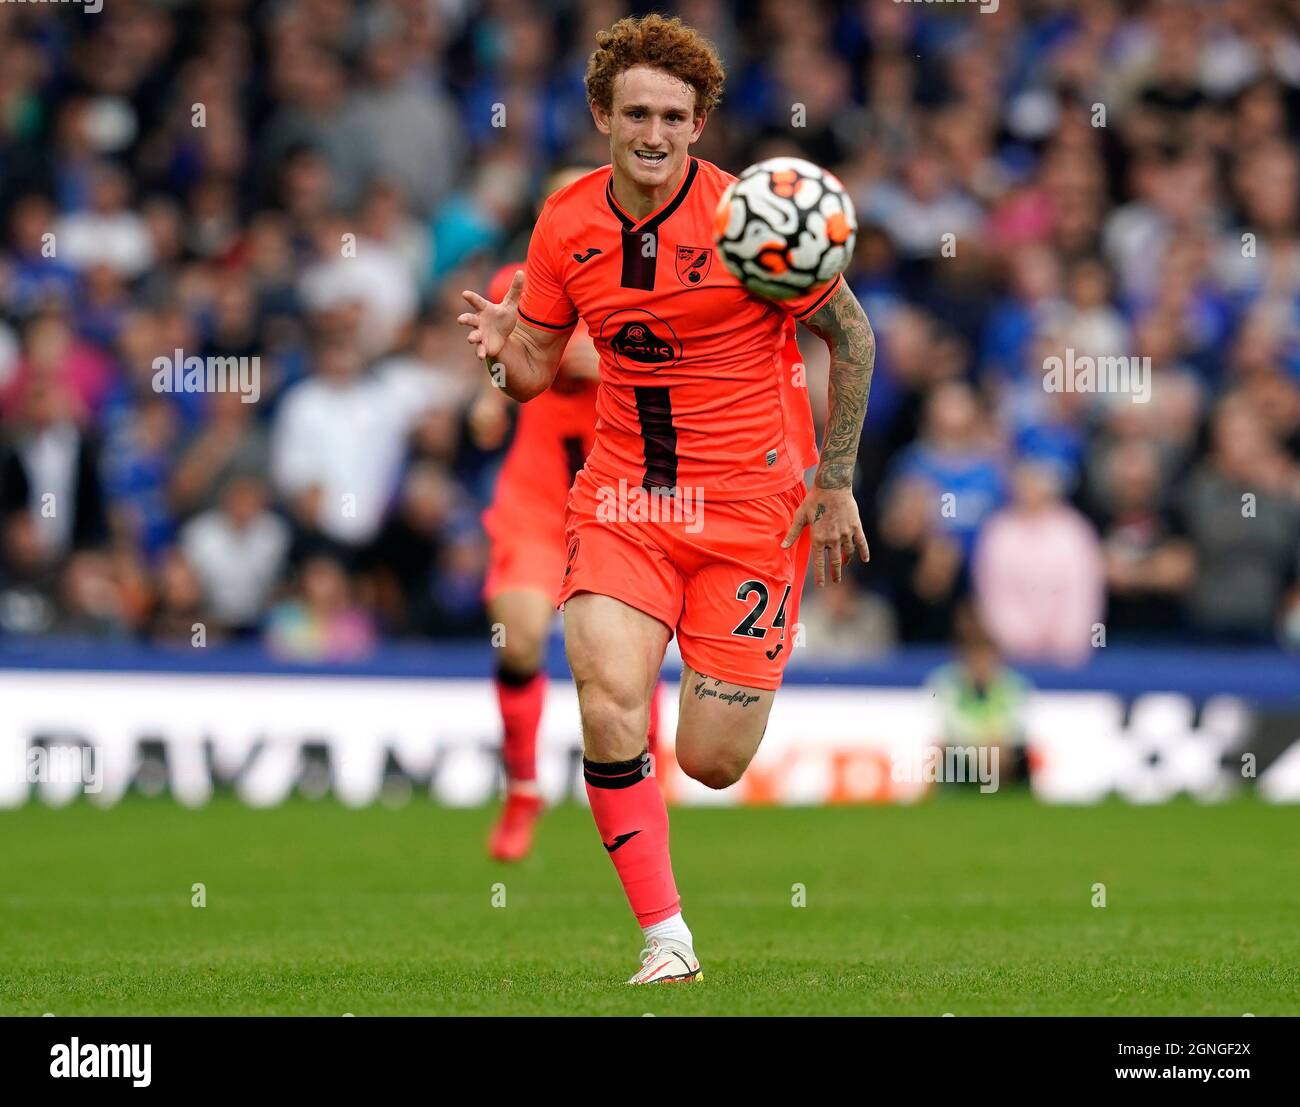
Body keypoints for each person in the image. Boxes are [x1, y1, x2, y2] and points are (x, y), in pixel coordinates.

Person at [457, 14, 875, 984]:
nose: (653, 133)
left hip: (747, 514)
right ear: (603, 114)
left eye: (674, 117)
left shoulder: (752, 221)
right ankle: (666, 939)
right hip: (624, 505)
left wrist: (837, 479)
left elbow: (849, 339)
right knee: (607, 702)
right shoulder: (564, 223)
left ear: (699, 125)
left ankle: (716, 716)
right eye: (635, 112)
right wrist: (501, 352)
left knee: (711, 761)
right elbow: (532, 371)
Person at [474, 167, 662, 863]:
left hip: (620, 500)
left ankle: (644, 777)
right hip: (538, 499)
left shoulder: (648, 284)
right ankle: (523, 785)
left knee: (627, 662)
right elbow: (515, 363)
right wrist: (492, 390)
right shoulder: (518, 283)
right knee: (518, 635)